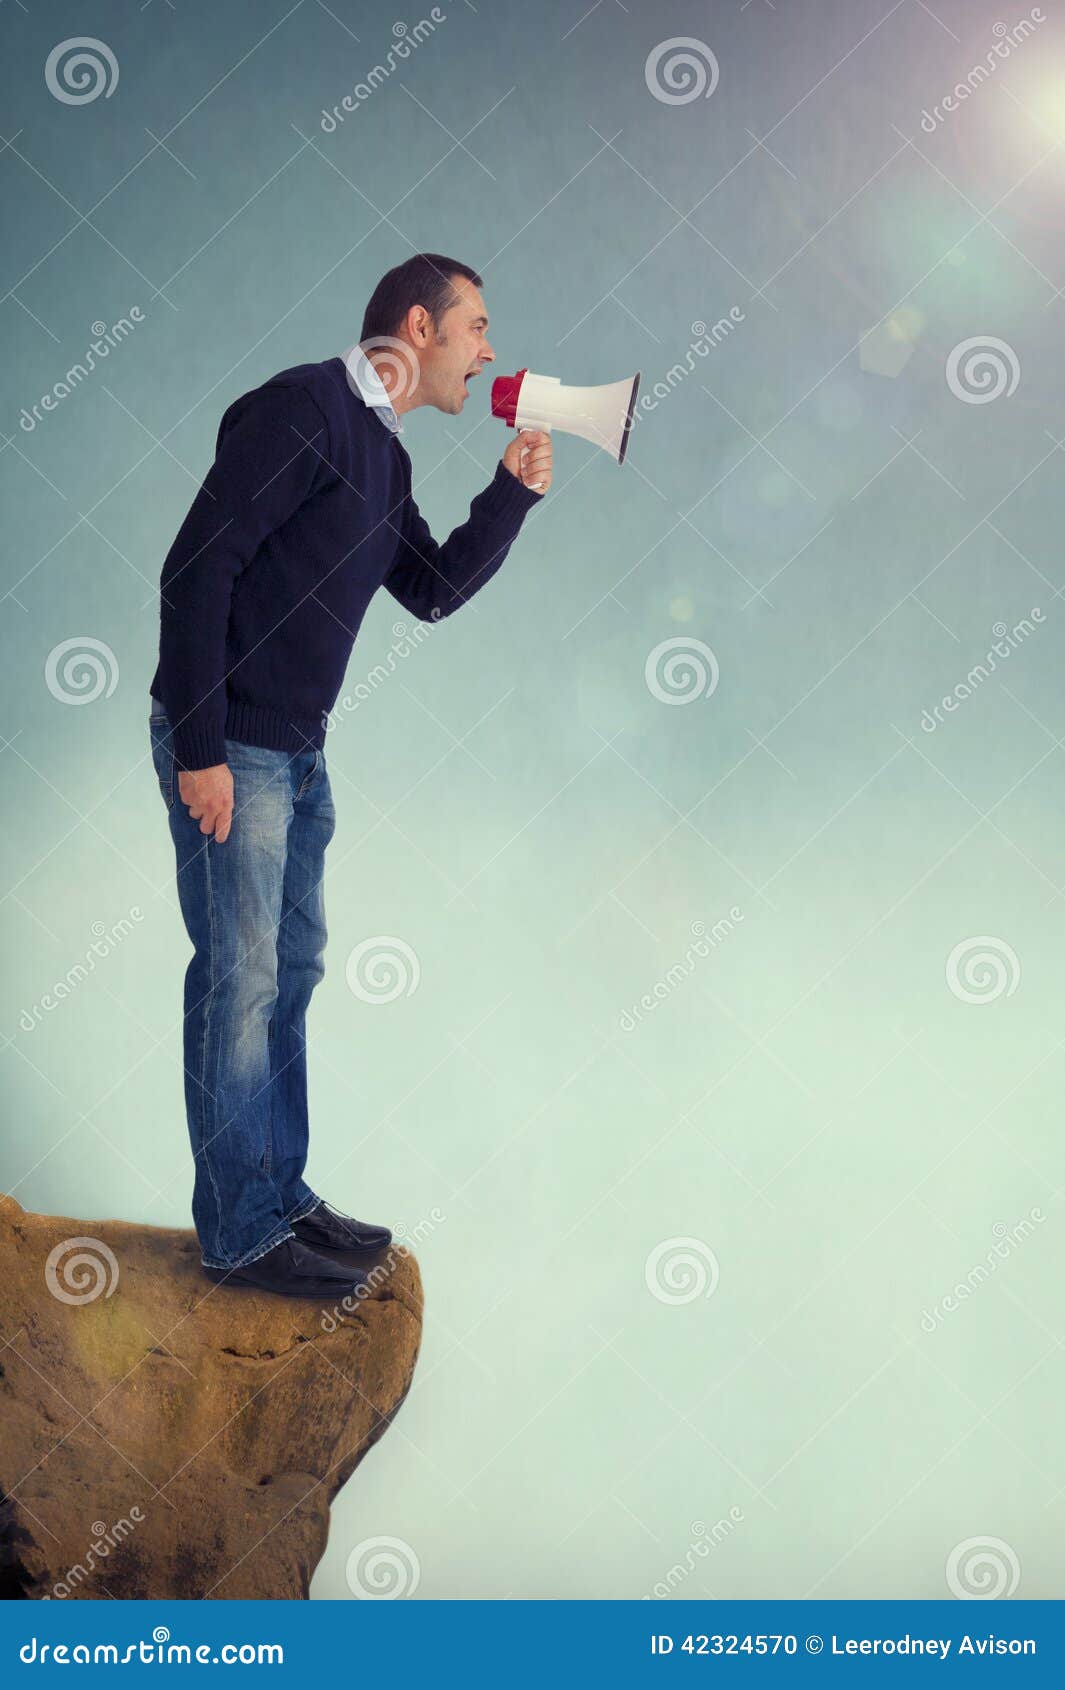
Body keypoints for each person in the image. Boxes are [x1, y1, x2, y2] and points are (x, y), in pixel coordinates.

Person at [147, 253, 552, 1297]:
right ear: (419, 328)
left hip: (296, 750)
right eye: (477, 328)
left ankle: (278, 1194)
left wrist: (507, 498)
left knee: (292, 972)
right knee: (240, 983)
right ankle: (239, 1232)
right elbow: (198, 568)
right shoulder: (303, 409)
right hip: (231, 743)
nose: (491, 350)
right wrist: (199, 746)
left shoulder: (385, 456)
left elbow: (429, 588)